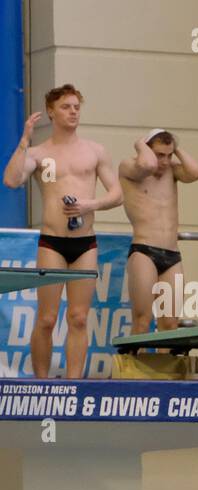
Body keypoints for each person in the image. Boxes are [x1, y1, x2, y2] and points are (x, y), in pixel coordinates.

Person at [2, 84, 121, 378]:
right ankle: (42, 384)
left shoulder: (94, 151)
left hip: (85, 245)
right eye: (66, 107)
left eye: (77, 107)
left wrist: (89, 205)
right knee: (46, 318)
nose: (73, 112)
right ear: (51, 112)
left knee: (79, 317)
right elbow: (12, 180)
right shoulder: (40, 153)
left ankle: (74, 385)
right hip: (52, 243)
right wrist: (24, 142)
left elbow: (117, 193)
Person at [120, 129, 198, 335]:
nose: (165, 161)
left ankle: (164, 367)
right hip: (144, 252)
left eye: (169, 155)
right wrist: (140, 144)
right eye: (160, 154)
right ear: (147, 150)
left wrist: (176, 149)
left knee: (170, 323)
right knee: (142, 319)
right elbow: (146, 164)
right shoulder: (130, 167)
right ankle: (136, 366)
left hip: (172, 255)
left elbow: (197, 172)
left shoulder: (172, 171)